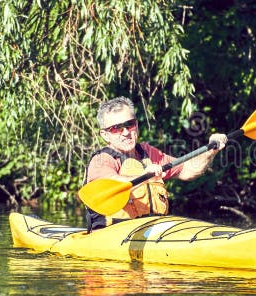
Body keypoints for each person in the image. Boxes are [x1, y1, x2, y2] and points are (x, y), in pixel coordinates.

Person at [84, 96, 227, 231]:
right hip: (113, 236)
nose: (126, 132)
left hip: (152, 231)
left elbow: (188, 170)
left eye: (130, 124)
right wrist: (144, 175)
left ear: (137, 124)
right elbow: (111, 184)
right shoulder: (102, 160)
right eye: (116, 128)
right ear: (105, 135)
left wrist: (210, 151)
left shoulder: (147, 153)